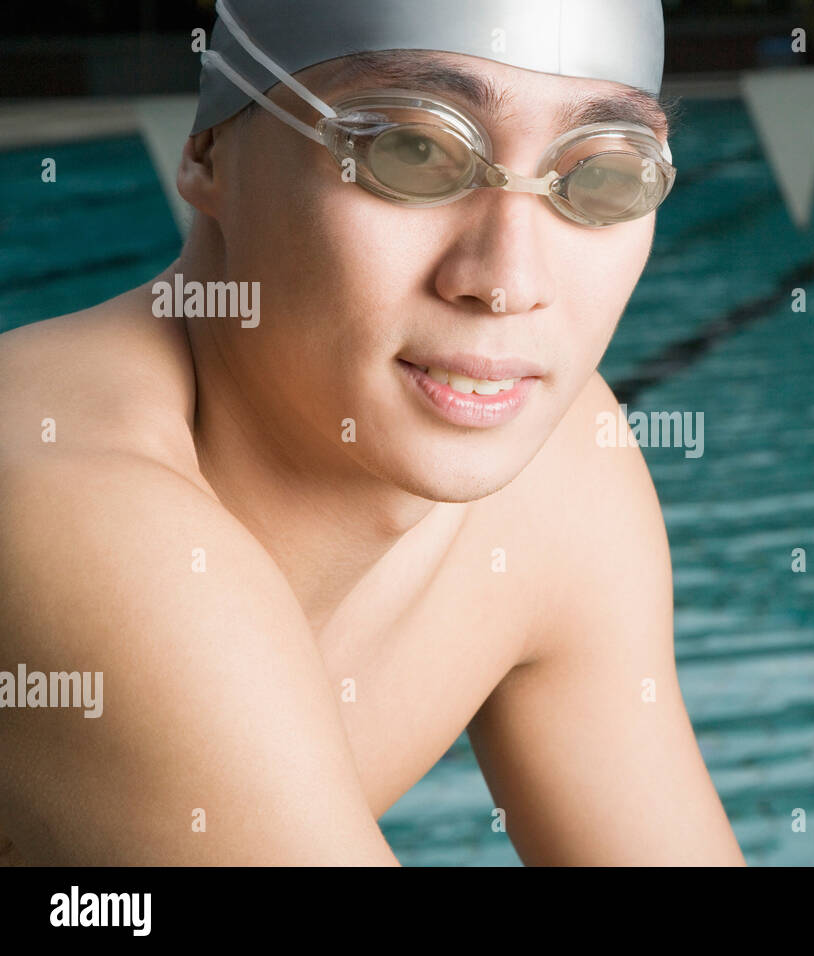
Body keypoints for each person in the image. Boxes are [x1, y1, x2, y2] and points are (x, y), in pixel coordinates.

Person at [0, 0, 745, 866]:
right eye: (413, 150)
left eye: (601, 175)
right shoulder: (68, 508)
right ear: (209, 152)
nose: (505, 282)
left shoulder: (564, 469)